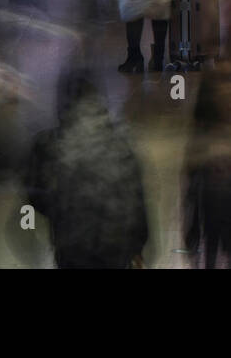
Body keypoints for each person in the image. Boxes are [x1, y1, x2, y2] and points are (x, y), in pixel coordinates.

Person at [23, 69, 150, 267]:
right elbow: (136, 199)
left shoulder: (47, 144)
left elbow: (35, 196)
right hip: (116, 247)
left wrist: (62, 211)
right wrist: (138, 245)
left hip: (71, 246)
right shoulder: (120, 142)